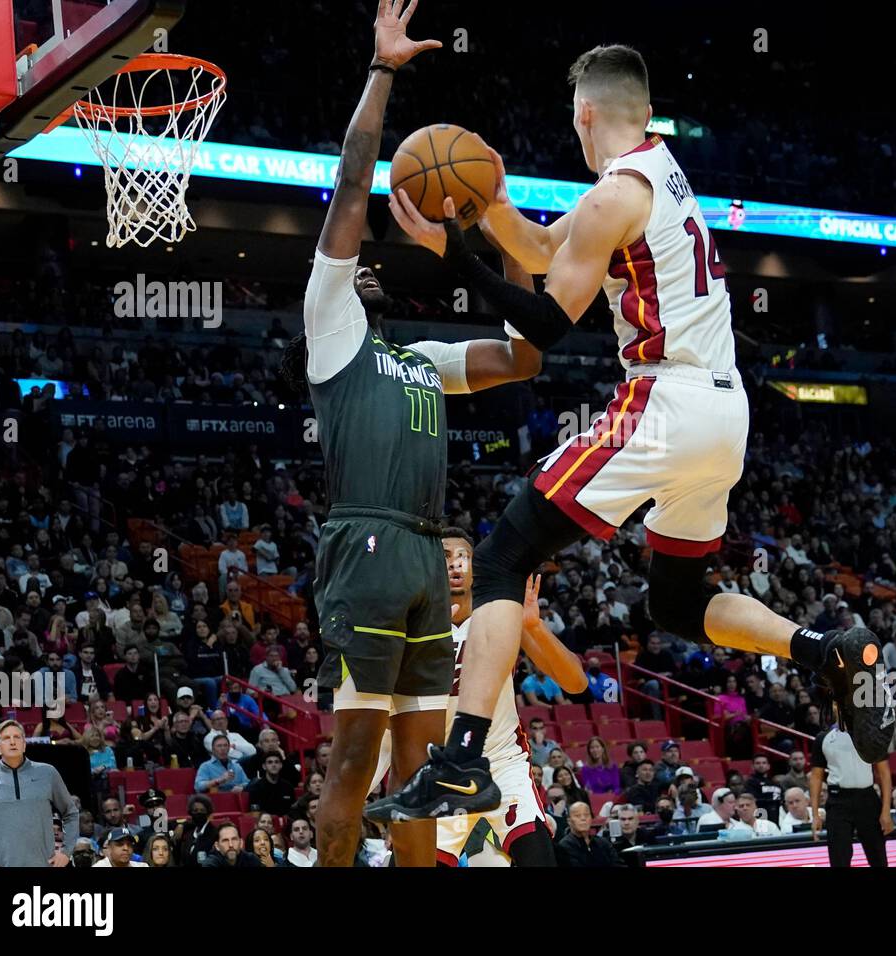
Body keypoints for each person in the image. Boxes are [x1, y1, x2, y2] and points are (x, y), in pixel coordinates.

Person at [384, 43, 892, 817]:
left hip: (666, 402)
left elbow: (550, 321)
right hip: (726, 415)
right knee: (678, 605)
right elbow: (553, 251)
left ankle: (461, 760)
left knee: (499, 562)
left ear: (584, 113)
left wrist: (453, 253)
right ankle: (825, 650)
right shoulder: (659, 174)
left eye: (571, 116)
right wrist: (490, 209)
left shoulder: (613, 195)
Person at [284, 0, 542, 868]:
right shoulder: (332, 329)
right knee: (353, 767)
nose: (362, 261)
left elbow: (522, 356)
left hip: (428, 556)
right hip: (364, 544)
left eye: (365, 260)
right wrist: (384, 69)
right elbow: (356, 182)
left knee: (425, 772)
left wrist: (503, 223)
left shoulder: (421, 355)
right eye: (349, 259)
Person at [366, 535, 583, 867]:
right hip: (437, 772)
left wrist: (534, 627)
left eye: (463, 555)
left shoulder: (501, 612)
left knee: (538, 857)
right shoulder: (408, 629)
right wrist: (361, 791)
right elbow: (387, 726)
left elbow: (575, 682)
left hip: (502, 764)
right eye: (445, 556)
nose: (455, 562)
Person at [0, 720, 75, 867]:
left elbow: (71, 813)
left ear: (24, 744)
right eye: (6, 738)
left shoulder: (48, 773)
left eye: (17, 737)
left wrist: (66, 852)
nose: (12, 742)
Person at [809, 704, 893, 867]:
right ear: (833, 707)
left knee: (878, 857)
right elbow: (816, 778)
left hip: (867, 799)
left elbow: (884, 774)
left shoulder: (872, 735)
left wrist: (886, 811)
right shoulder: (823, 738)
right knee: (839, 858)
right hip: (838, 802)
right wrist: (815, 815)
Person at [555, 801, 620, 867]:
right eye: (577, 815)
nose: (583, 818)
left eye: (586, 815)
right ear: (569, 821)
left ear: (591, 819)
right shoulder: (563, 847)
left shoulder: (603, 843)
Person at [247, 751, 296, 815]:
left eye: (276, 762)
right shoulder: (256, 788)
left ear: (281, 765)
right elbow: (255, 813)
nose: (273, 765)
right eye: (270, 762)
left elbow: (293, 810)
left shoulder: (288, 787)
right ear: (264, 766)